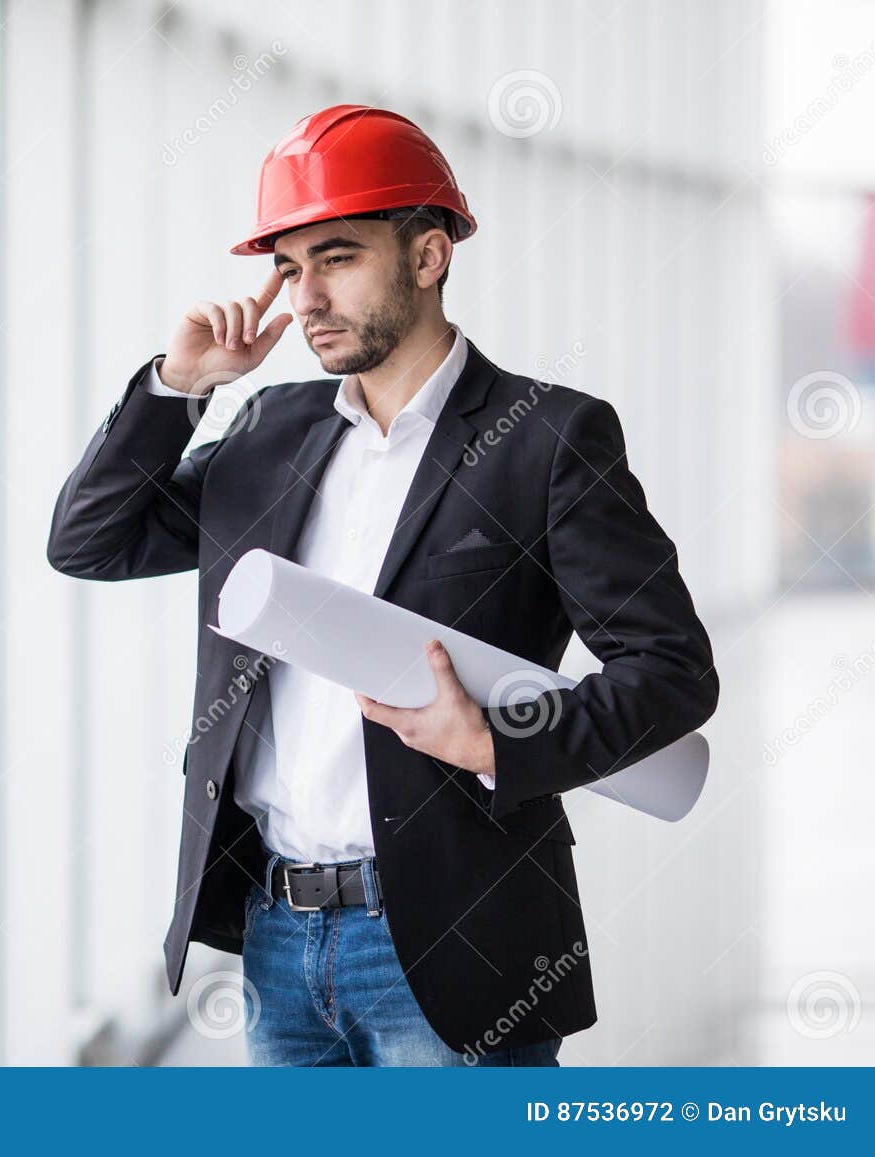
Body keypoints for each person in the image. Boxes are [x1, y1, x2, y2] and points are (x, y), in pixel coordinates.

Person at [45, 104, 719, 1067]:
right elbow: (90, 541)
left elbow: (671, 671)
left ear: (428, 255)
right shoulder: (270, 430)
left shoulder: (546, 437)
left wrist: (496, 738)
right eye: (287, 266)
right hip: (278, 940)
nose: (304, 295)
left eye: (337, 257)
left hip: (454, 935)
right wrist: (178, 387)